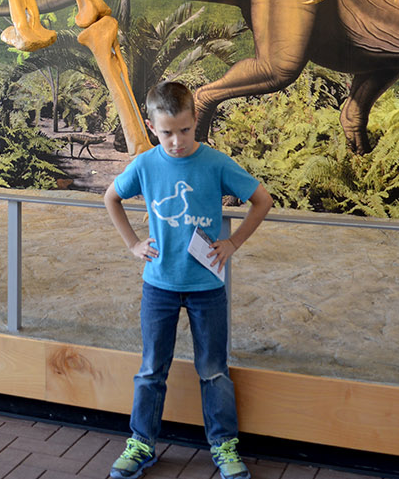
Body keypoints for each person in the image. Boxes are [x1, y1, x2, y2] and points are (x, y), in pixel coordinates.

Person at [103, 81, 273, 479]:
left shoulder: (215, 163)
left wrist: (233, 242)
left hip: (207, 288)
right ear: (151, 127)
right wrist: (133, 244)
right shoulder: (145, 165)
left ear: (196, 120)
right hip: (158, 285)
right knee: (151, 369)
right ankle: (141, 443)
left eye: (184, 130)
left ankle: (224, 445)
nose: (176, 141)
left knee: (214, 370)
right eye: (167, 133)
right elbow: (111, 197)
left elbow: (262, 200)